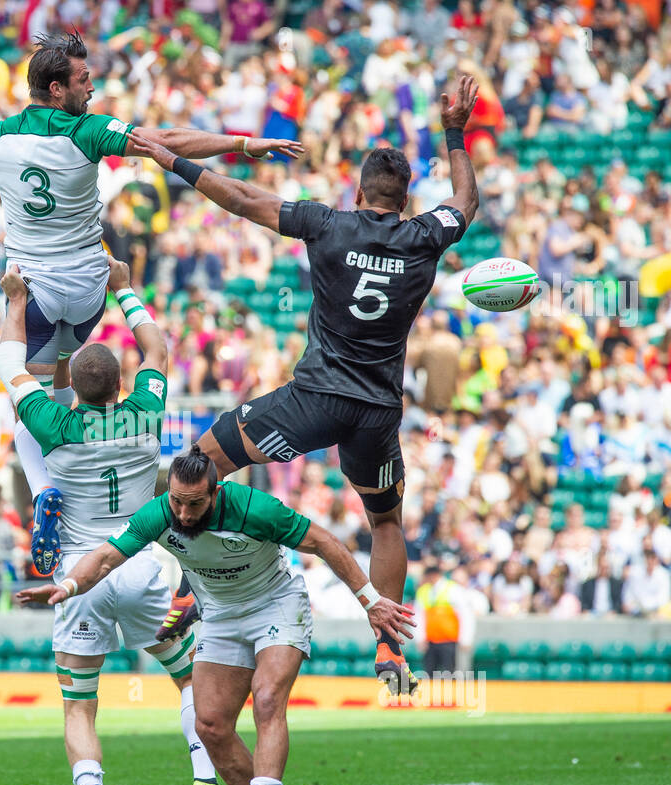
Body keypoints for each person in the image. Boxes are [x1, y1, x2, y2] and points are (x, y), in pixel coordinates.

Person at [124, 74, 479, 694]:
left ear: (359, 190)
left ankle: (187, 597)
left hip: (311, 402)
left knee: (200, 462)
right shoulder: (426, 236)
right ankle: (390, 650)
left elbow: (239, 199)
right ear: (404, 198)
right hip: (375, 414)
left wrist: (174, 160)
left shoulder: (328, 225)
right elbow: (467, 202)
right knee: (386, 523)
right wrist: (455, 130)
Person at [0, 31, 302, 579]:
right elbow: (166, 140)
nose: (93, 88)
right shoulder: (90, 132)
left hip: (30, 288)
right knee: (58, 379)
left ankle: (45, 494)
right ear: (56, 88)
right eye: (83, 81)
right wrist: (241, 144)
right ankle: (82, 501)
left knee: (32, 396)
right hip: (88, 291)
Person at [15, 447, 414, 785]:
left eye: (195, 504)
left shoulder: (256, 508)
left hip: (275, 604)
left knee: (268, 696)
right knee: (209, 724)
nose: (184, 514)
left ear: (216, 491)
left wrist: (371, 603)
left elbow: (323, 542)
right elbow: (104, 558)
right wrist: (67, 586)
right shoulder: (159, 514)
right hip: (220, 614)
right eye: (177, 502)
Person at [0, 259, 236, 785]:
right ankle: (204, 776)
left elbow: (9, 368)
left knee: (80, 703)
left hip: (78, 574)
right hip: (140, 563)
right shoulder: (146, 411)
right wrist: (125, 289)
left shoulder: (56, 424)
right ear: (121, 383)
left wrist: (13, 301)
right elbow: (157, 349)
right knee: (187, 679)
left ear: (72, 390)